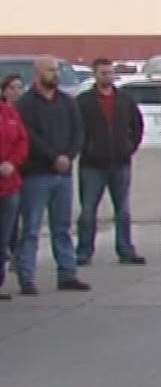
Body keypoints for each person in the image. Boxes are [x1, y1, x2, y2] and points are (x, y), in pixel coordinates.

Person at [13, 56, 89, 294]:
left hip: (64, 175)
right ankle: (26, 277)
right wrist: (53, 157)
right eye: (50, 70)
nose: (55, 74)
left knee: (62, 228)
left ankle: (67, 274)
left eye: (56, 70)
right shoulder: (25, 104)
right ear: (38, 73)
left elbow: (78, 131)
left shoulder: (67, 102)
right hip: (37, 174)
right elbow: (30, 137)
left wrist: (68, 155)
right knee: (32, 229)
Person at [75, 57, 147, 266]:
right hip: (92, 165)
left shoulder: (125, 99)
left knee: (122, 210)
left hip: (120, 163)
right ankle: (83, 252)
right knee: (88, 211)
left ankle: (125, 250)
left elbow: (137, 126)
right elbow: (76, 129)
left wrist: (128, 148)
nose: (107, 76)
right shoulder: (84, 101)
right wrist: (86, 149)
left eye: (110, 73)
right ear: (95, 75)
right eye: (103, 73)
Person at [0, 74, 28, 300]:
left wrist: (12, 163)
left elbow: (22, 141)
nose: (18, 91)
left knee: (5, 237)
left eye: (20, 87)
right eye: (13, 87)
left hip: (10, 185)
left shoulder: (12, 114)